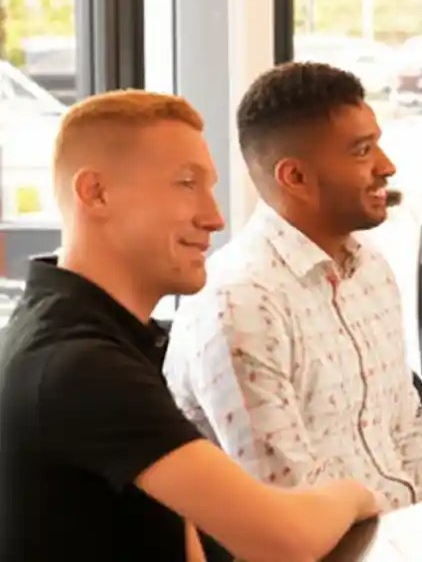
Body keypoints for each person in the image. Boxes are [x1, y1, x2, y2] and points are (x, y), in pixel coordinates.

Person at [0, 91, 377, 562]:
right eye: (185, 183)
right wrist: (357, 494)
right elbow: (284, 540)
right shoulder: (79, 363)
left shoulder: (93, 334)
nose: (214, 218)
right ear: (95, 193)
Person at [164, 62, 422, 510]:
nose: (387, 166)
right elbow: (288, 501)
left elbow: (407, 429)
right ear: (294, 177)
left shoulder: (371, 269)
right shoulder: (240, 301)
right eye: (361, 152)